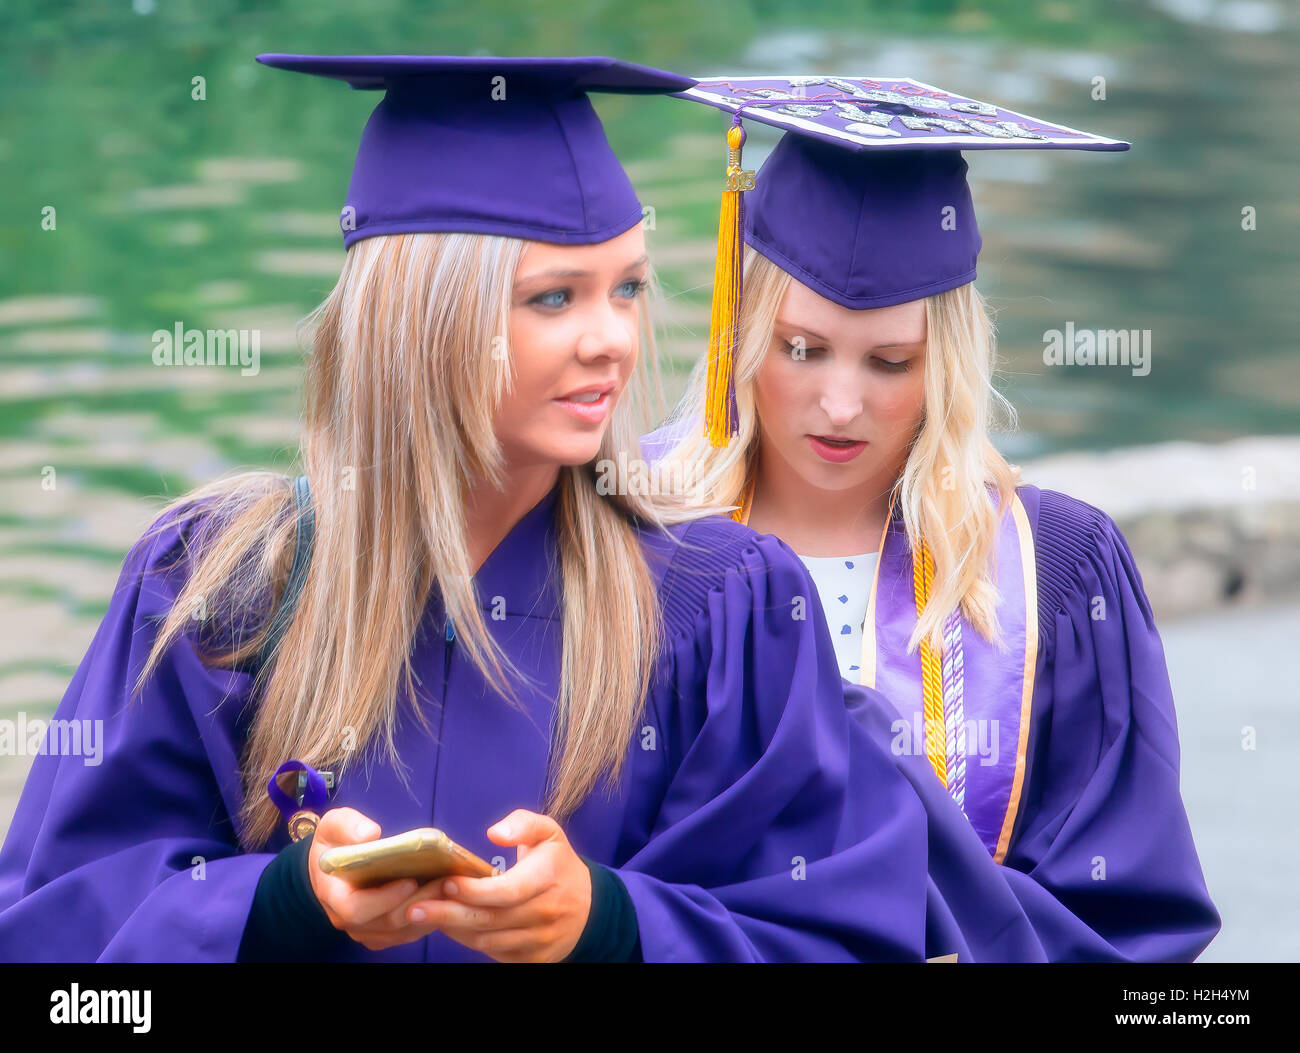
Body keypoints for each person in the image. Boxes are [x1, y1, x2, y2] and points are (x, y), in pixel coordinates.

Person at [0, 56, 945, 964]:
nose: (610, 340)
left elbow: (837, 935)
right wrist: (281, 904)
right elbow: (62, 945)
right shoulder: (221, 585)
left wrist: (610, 927)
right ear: (424, 315)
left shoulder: (720, 606)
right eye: (554, 298)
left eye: (626, 289)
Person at [647, 75, 1220, 961]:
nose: (840, 404)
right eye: (801, 349)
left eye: (889, 361)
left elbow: (1128, 921)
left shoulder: (1054, 569)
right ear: (742, 327)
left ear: (945, 362)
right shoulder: (626, 529)